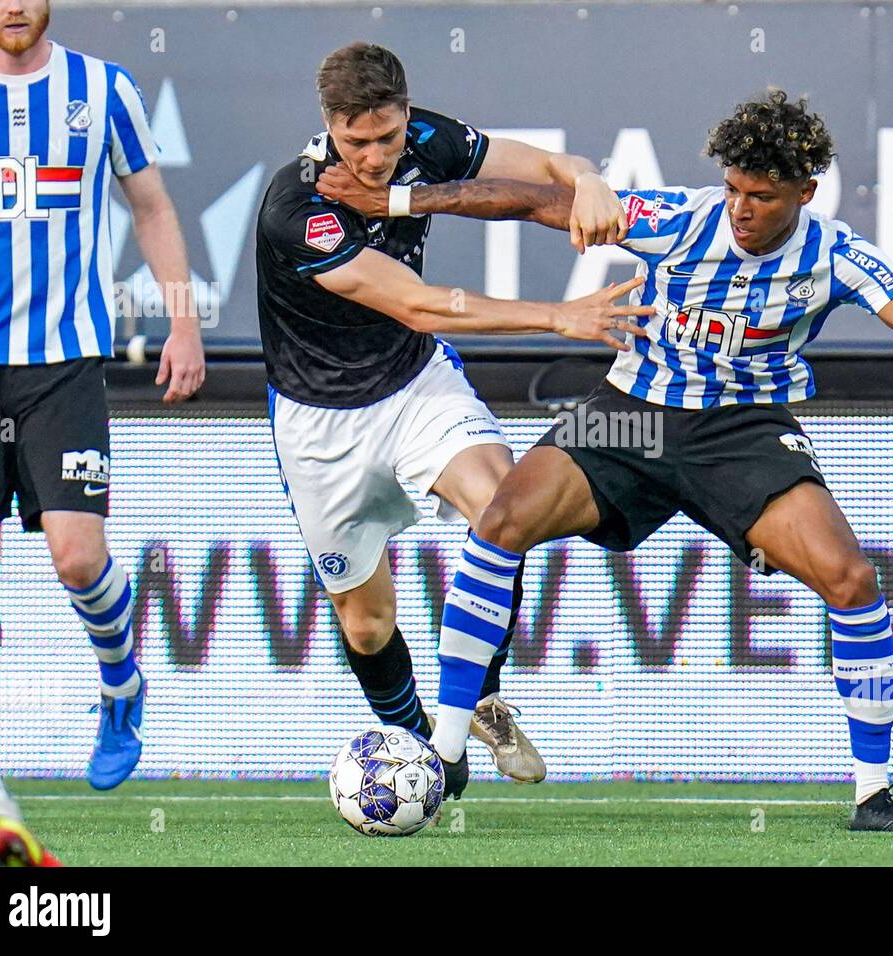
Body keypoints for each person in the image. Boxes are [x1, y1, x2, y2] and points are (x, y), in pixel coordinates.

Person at [321, 89, 893, 828]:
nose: (742, 210)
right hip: (634, 417)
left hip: (740, 434)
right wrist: (398, 198)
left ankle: (873, 794)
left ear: (804, 193)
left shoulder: (834, 254)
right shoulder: (679, 218)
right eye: (736, 189)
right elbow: (534, 200)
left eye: (763, 197)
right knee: (500, 520)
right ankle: (451, 747)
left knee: (851, 578)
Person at [258, 42, 648, 793]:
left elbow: (541, 169)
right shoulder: (295, 207)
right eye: (355, 141)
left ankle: (475, 698)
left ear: (406, 113)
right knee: (366, 625)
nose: (374, 158)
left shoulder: (429, 141)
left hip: (414, 388)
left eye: (387, 137)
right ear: (327, 125)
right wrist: (557, 316)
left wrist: (590, 177)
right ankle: (418, 753)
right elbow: (416, 300)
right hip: (320, 423)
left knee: (509, 508)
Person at [0, 0, 205, 865]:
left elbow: (153, 209)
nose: (13, 3)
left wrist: (182, 322)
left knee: (76, 557)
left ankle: (121, 681)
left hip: (63, 362)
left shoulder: (102, 90)